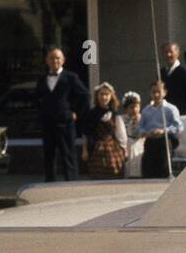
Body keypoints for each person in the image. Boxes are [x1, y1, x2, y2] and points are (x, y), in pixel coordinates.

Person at [34, 46, 89, 182]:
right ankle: (49, 185)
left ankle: (71, 185)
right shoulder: (42, 79)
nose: (54, 61)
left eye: (57, 58)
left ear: (63, 60)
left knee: (68, 157)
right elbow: (37, 98)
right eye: (51, 58)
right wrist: (41, 114)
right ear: (47, 61)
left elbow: (85, 95)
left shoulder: (70, 77)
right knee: (49, 157)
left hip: (65, 123)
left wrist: (75, 113)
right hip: (48, 124)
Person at [80, 82, 129, 177]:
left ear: (111, 96)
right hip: (95, 147)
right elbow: (86, 133)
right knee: (97, 173)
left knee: (114, 172)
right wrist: (84, 150)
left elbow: (120, 134)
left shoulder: (114, 114)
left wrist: (124, 149)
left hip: (113, 148)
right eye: (101, 94)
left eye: (106, 94)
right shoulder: (91, 114)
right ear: (97, 96)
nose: (104, 97)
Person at [138, 80, 182, 178]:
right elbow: (140, 127)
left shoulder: (170, 109)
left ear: (165, 92)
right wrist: (146, 133)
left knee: (163, 169)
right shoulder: (146, 110)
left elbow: (179, 126)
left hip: (164, 141)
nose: (156, 94)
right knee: (148, 170)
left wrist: (164, 130)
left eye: (159, 92)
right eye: (153, 92)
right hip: (150, 142)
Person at [160, 43, 186, 114]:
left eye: (170, 52)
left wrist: (184, 111)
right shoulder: (161, 72)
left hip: (181, 112)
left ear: (177, 53)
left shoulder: (184, 71)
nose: (168, 55)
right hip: (165, 112)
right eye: (166, 52)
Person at [121, 92, 144, 177]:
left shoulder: (142, 118)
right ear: (126, 109)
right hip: (127, 144)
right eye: (131, 107)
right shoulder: (122, 119)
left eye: (136, 107)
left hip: (141, 143)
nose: (135, 109)